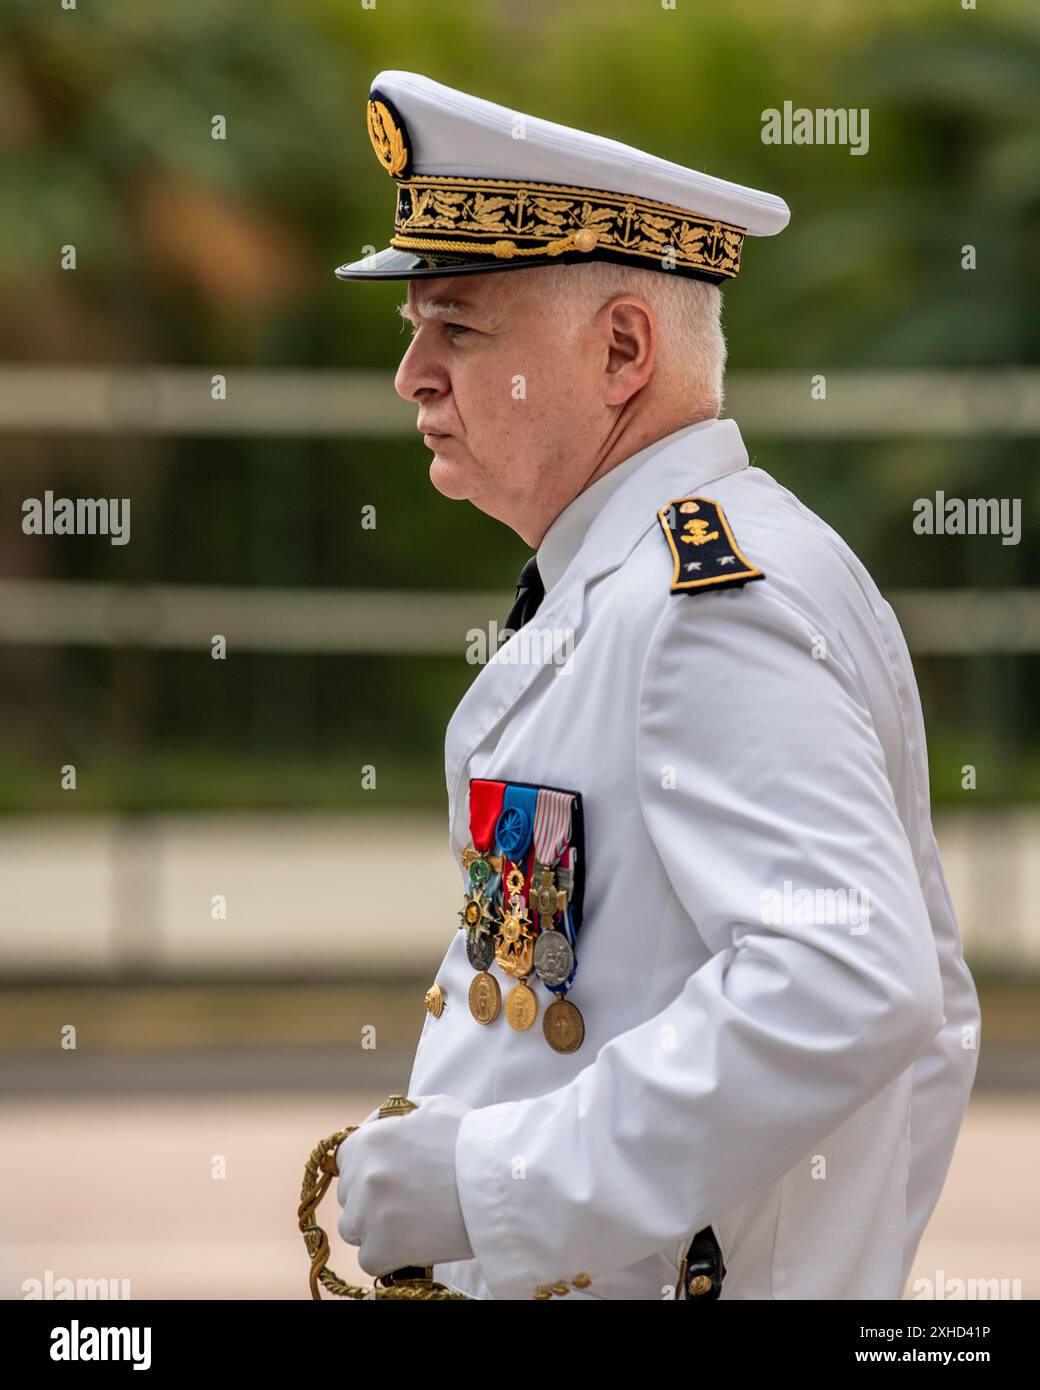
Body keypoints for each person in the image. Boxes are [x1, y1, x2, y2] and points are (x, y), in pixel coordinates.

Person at [332, 70, 980, 1301]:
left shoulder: (707, 604)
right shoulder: (637, 580)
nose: (411, 375)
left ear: (622, 349)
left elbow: (853, 982)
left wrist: (493, 1181)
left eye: (457, 327)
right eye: (415, 327)